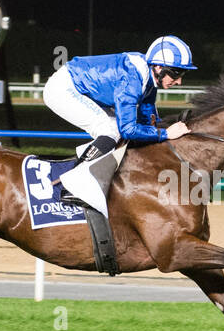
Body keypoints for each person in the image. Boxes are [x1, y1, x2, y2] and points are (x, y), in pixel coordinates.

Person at [44, 36, 196, 213]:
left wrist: (164, 131)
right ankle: (73, 184)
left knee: (116, 130)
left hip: (81, 88)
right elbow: (128, 130)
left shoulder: (148, 79)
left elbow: (149, 119)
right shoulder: (133, 77)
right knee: (110, 130)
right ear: (159, 67)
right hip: (63, 89)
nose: (178, 82)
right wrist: (166, 134)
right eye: (176, 74)